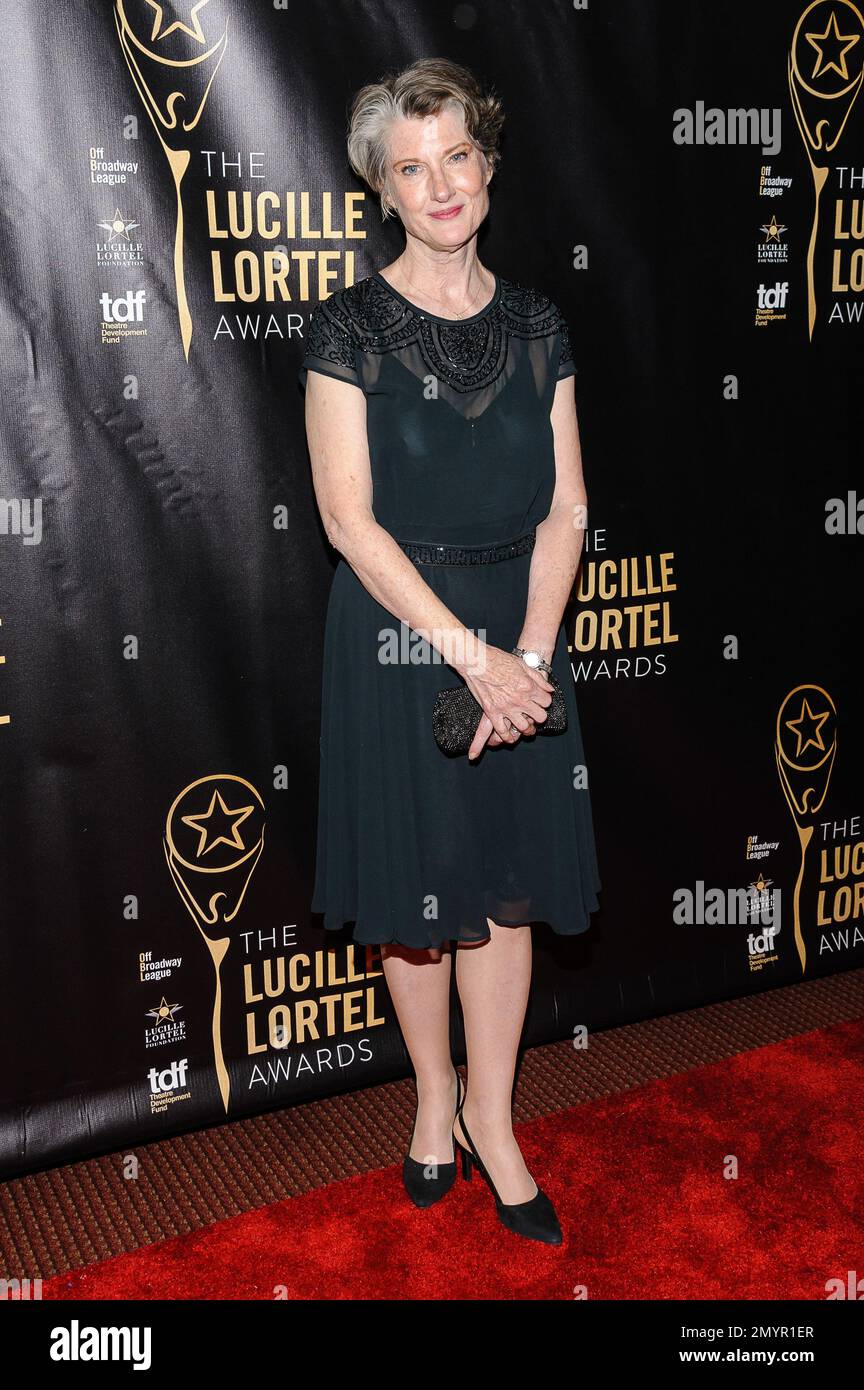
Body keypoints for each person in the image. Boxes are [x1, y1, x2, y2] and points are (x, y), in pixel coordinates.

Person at [299, 57, 601, 1245]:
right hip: (400, 635)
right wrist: (471, 660)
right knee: (421, 903)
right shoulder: (350, 326)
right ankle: (431, 1097)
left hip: (521, 635)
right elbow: (345, 517)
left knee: (508, 894)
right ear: (383, 186)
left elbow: (569, 506)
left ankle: (496, 1114)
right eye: (411, 167)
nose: (440, 185)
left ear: (487, 165)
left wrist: (525, 655)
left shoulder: (539, 322)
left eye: (456, 158)